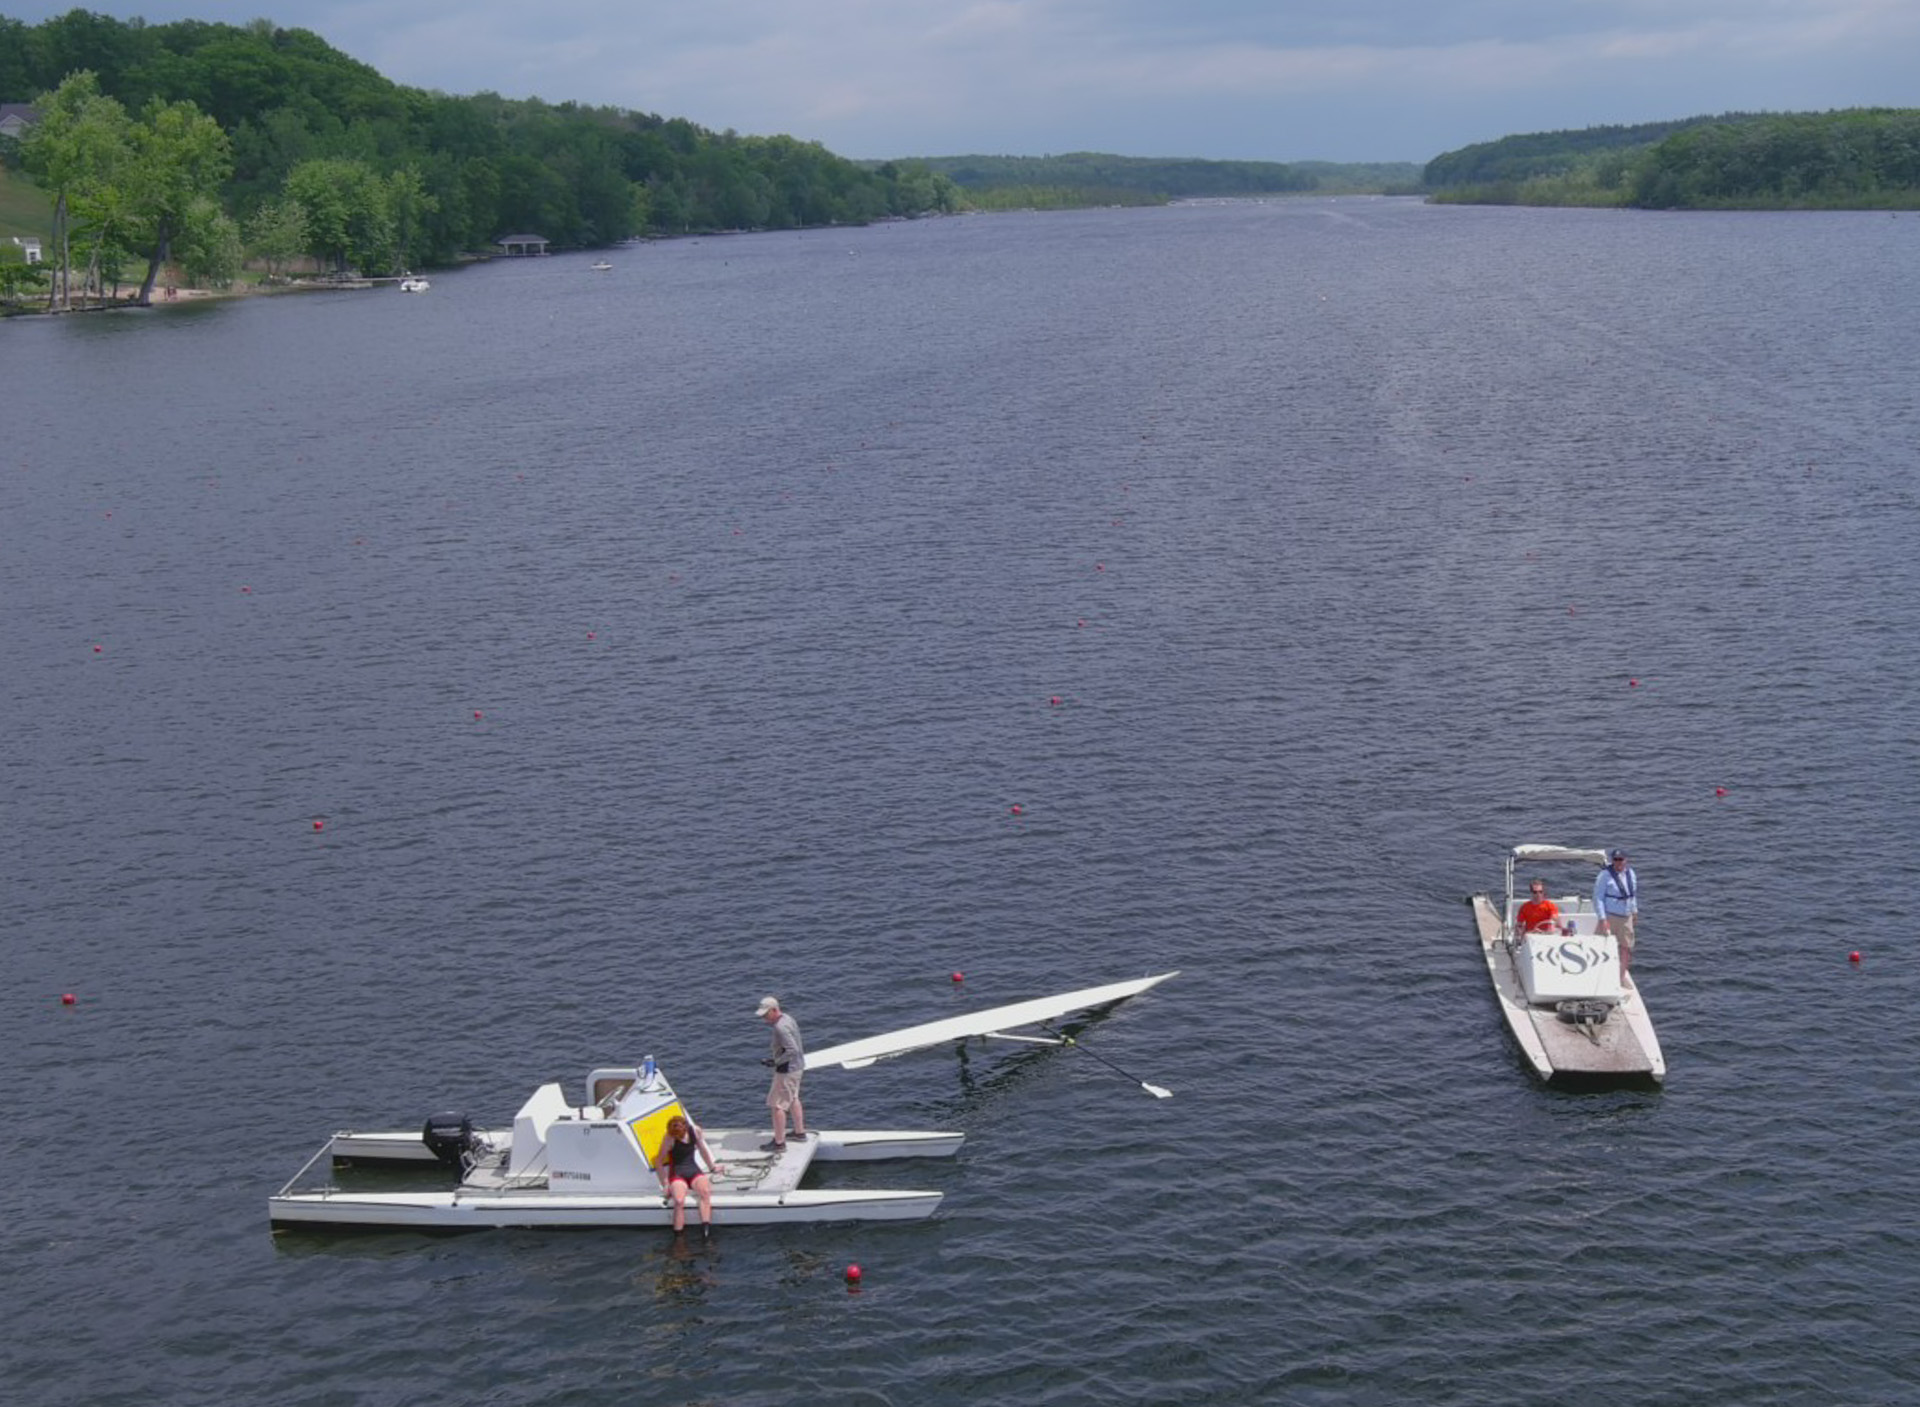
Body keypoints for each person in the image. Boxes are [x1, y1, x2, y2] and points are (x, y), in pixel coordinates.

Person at [653, 1113, 723, 1237]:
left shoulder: (695, 1131)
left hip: (693, 1170)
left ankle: (706, 1229)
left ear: (685, 1129)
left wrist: (712, 1167)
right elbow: (658, 1160)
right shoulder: (669, 1137)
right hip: (677, 1174)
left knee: (705, 1192)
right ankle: (678, 1236)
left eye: (678, 1135)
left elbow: (702, 1149)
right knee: (679, 1201)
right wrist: (665, 1183)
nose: (677, 1138)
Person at [755, 994, 807, 1150]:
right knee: (793, 1098)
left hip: (787, 1070)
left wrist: (775, 1062)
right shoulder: (788, 1019)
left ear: (774, 1010)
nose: (764, 1018)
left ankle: (779, 1142)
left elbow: (792, 1050)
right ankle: (799, 1132)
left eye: (766, 1014)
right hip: (797, 1067)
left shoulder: (780, 1027)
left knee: (777, 1105)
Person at [1595, 848, 1640, 973]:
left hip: (1626, 917)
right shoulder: (1604, 875)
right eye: (1615, 859)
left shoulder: (1631, 874)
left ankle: (1621, 976)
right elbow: (1598, 898)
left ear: (1626, 860)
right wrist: (1602, 919)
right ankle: (1600, 972)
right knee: (1601, 945)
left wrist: (1634, 911)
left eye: (1621, 859)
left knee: (1626, 948)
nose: (1618, 862)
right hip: (1610, 916)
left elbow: (1632, 894)